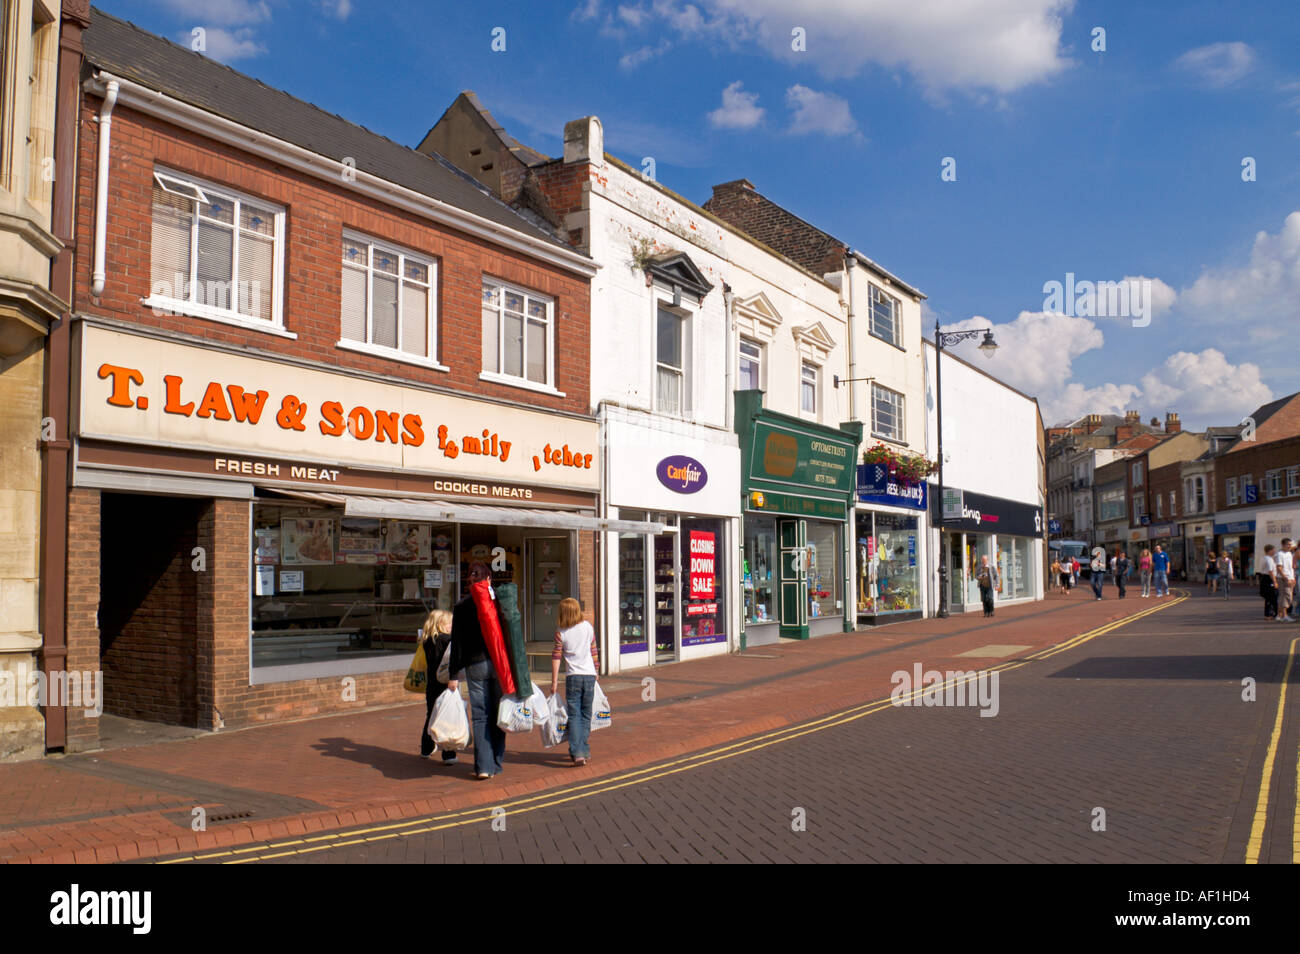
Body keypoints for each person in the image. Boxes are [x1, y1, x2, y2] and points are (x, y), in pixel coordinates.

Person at [446, 562, 506, 780]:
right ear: (488, 580)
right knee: (498, 715)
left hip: (474, 665)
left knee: (480, 716)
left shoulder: (461, 607)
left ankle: (483, 766)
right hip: (498, 664)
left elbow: (457, 643)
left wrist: (453, 674)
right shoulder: (497, 602)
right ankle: (496, 762)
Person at [549, 597, 600, 767]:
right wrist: (597, 670)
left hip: (573, 677)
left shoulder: (561, 632)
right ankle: (583, 750)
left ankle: (578, 751)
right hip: (589, 676)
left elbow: (556, 657)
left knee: (574, 715)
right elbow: (594, 651)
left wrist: (554, 681)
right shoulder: (587, 627)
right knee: (586, 714)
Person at [418, 609, 458, 766]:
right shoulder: (446, 640)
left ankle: (426, 749)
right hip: (445, 683)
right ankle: (449, 754)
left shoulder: (428, 640)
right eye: (450, 623)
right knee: (447, 718)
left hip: (432, 685)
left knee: (431, 715)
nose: (452, 626)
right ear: (441, 624)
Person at [1276, 539, 1296, 623]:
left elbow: (1291, 567)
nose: (1289, 546)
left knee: (1284, 596)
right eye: (1288, 544)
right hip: (1283, 578)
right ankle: (1284, 615)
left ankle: (1279, 615)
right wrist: (1285, 578)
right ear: (1283, 545)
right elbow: (1279, 567)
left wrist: (1293, 577)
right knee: (1286, 596)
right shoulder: (1279, 554)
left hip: (1290, 577)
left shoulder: (1289, 553)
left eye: (1290, 544)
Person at [1259, 544, 1279, 619]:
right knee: (1273, 597)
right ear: (1270, 550)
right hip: (1269, 578)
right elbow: (1270, 571)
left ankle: (1268, 614)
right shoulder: (1269, 559)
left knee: (1268, 597)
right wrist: (1275, 582)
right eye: (1273, 550)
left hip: (1264, 578)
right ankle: (1271, 614)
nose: (1274, 551)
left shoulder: (1263, 558)